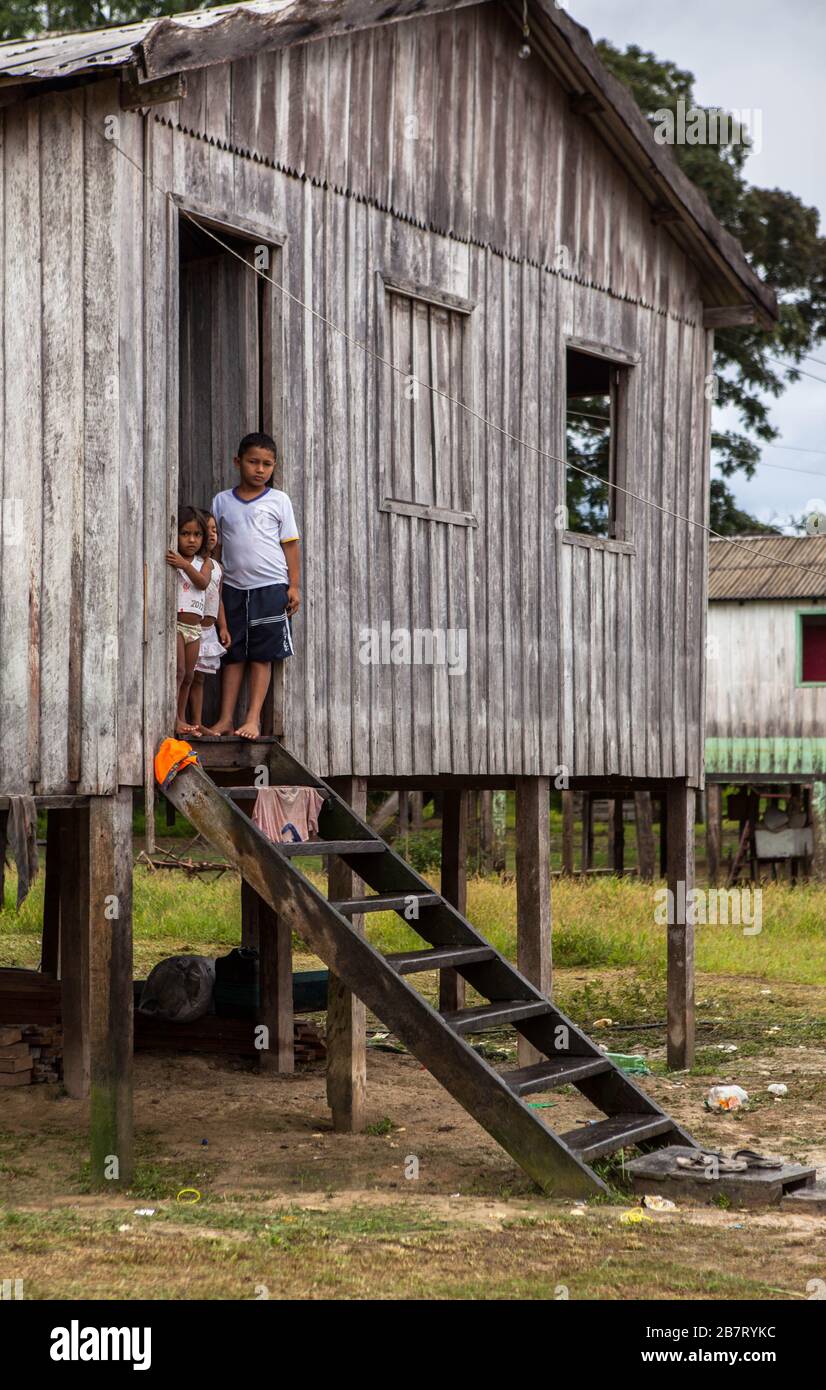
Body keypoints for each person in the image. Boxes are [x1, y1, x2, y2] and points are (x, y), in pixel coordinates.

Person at [205, 433, 300, 739]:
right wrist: (214, 584)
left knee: (262, 655)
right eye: (253, 462)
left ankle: (253, 719)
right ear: (238, 462)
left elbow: (291, 545)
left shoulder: (279, 500)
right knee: (231, 653)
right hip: (232, 587)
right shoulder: (222, 501)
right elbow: (216, 548)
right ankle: (224, 719)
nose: (260, 469)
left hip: (270, 586)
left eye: (267, 464)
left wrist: (294, 586)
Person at [166, 507, 213, 735]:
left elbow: (203, 583)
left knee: (189, 675)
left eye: (197, 534)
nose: (191, 539)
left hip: (194, 628)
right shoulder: (171, 558)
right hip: (176, 625)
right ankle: (173, 717)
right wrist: (180, 563)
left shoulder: (203, 562)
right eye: (185, 533)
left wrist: (184, 565)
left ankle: (182, 717)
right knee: (179, 670)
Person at [188, 511, 231, 731]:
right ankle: (185, 721)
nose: (213, 534)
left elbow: (218, 598)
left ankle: (197, 722)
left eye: (215, 530)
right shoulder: (194, 563)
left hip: (209, 630)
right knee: (187, 677)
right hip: (192, 628)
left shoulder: (217, 566)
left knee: (200, 680)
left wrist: (222, 626)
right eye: (209, 530)